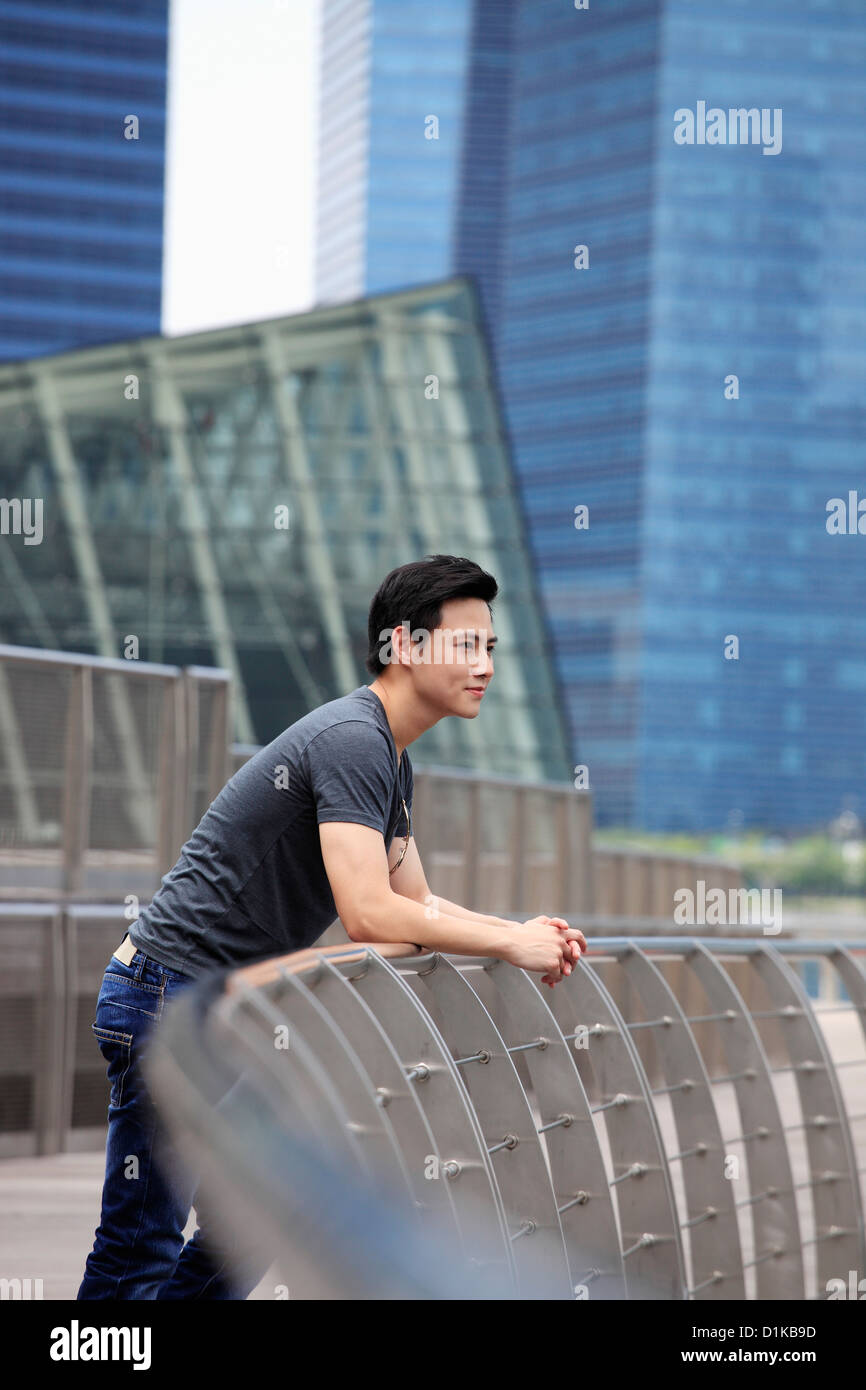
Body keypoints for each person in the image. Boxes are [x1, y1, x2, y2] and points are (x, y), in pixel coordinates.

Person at [78, 553, 586, 1299]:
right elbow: (371, 915)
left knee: (257, 1221)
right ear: (405, 646)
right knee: (140, 1247)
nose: (484, 665)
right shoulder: (354, 739)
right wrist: (510, 943)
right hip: (166, 991)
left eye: (490, 648)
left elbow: (418, 905)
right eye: (467, 645)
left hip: (226, 1006)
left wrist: (520, 930)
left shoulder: (390, 757)